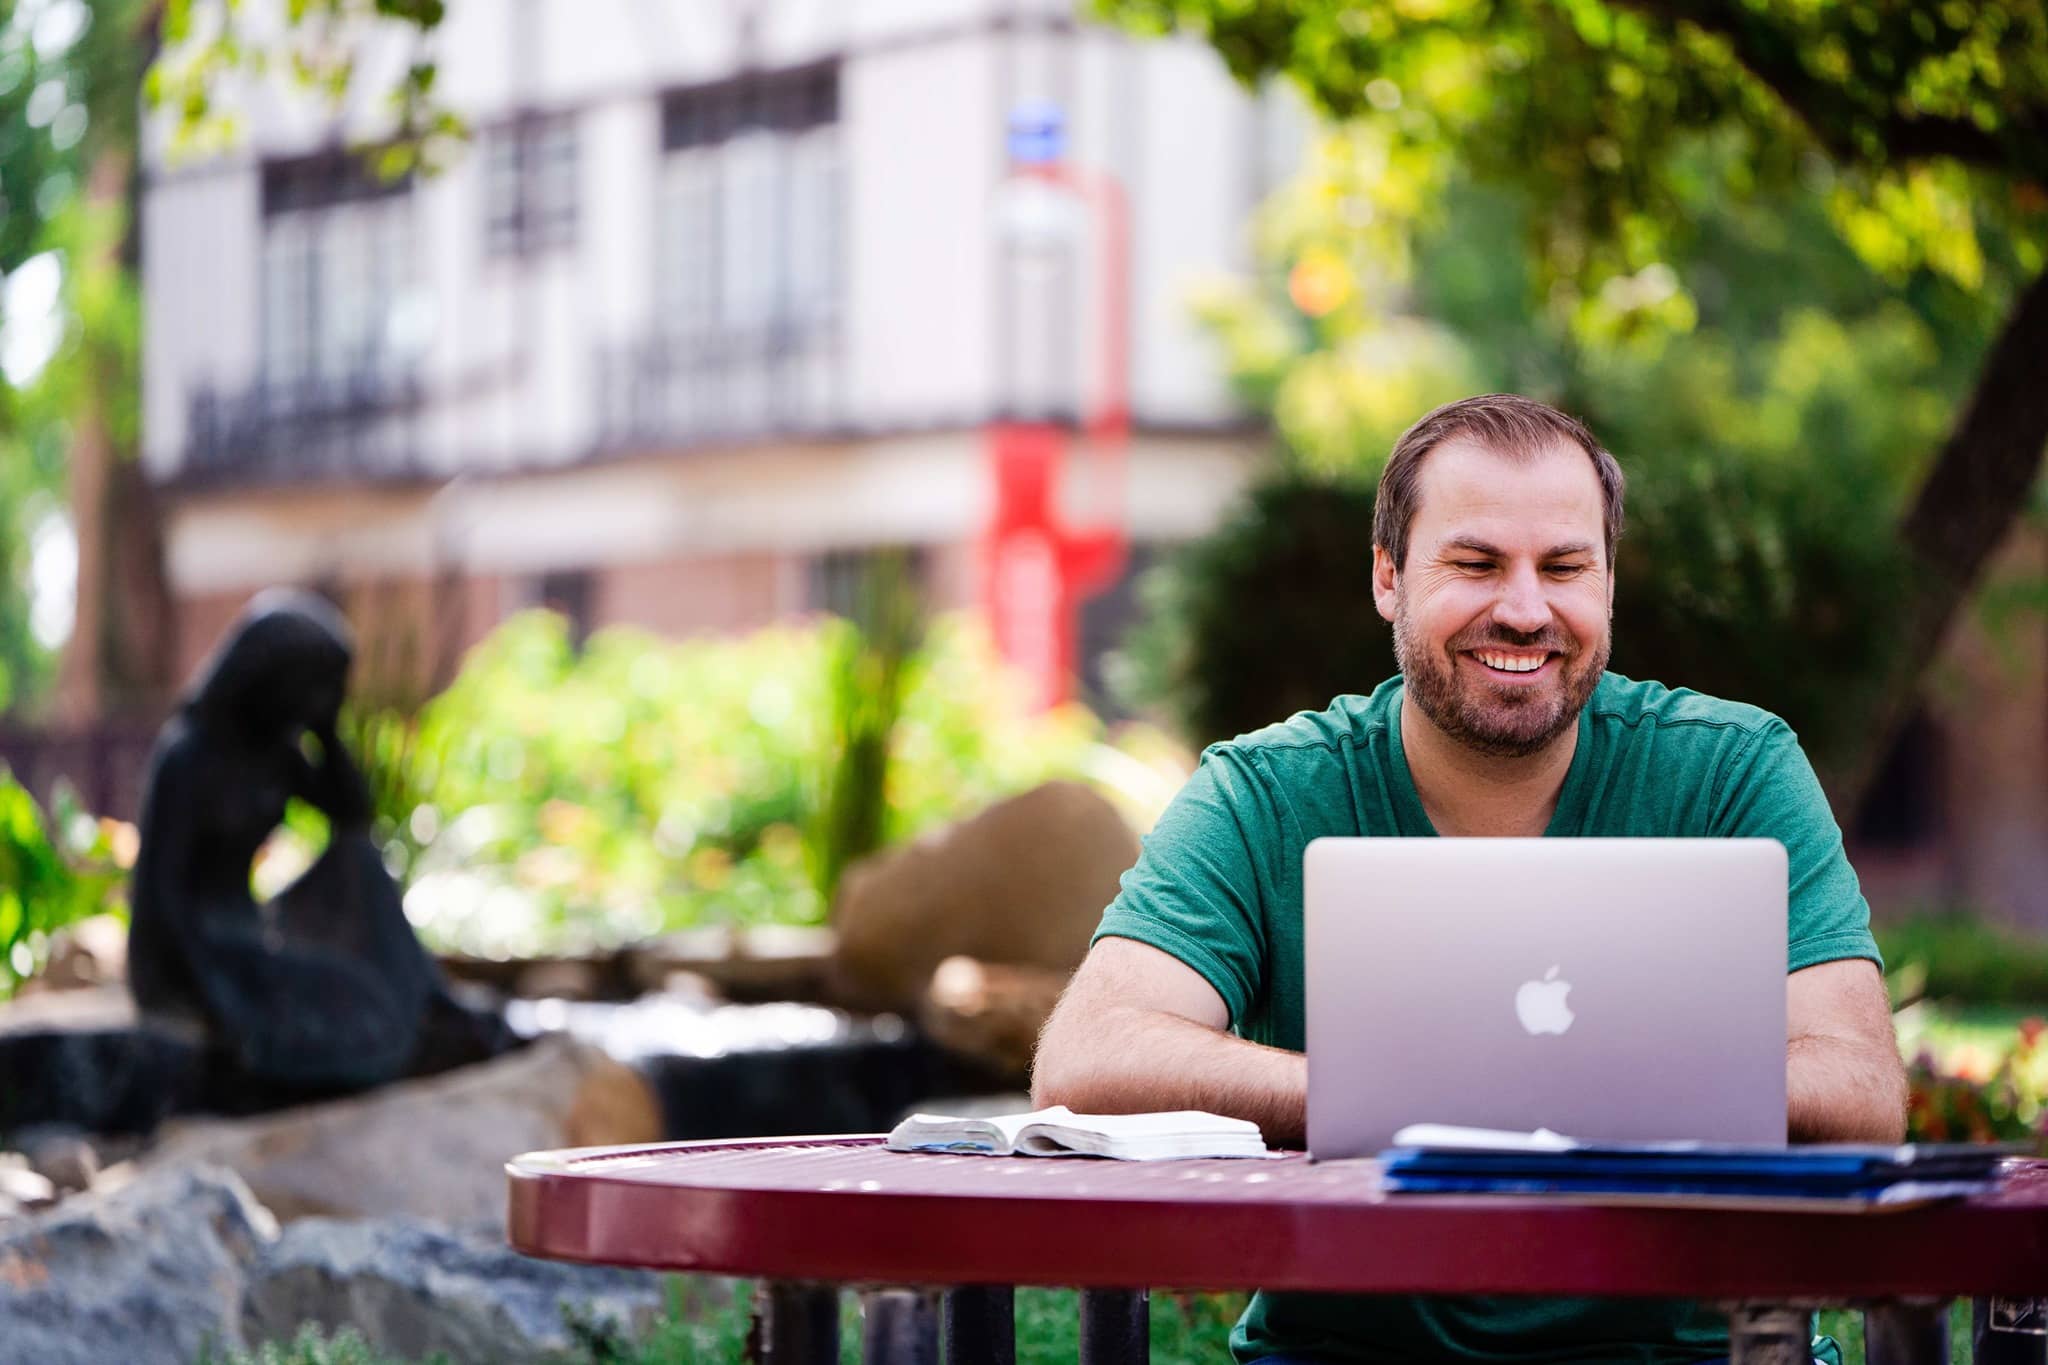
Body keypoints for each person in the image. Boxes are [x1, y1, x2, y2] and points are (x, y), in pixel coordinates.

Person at [1031, 394, 1906, 1365]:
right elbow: (1088, 1056)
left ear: (1606, 584)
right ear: (1387, 577)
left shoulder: (1731, 769)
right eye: (1475, 563)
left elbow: (1858, 1086)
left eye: (1564, 567)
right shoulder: (1265, 792)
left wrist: (1529, 1101)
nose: (1525, 610)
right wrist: (1388, 1098)